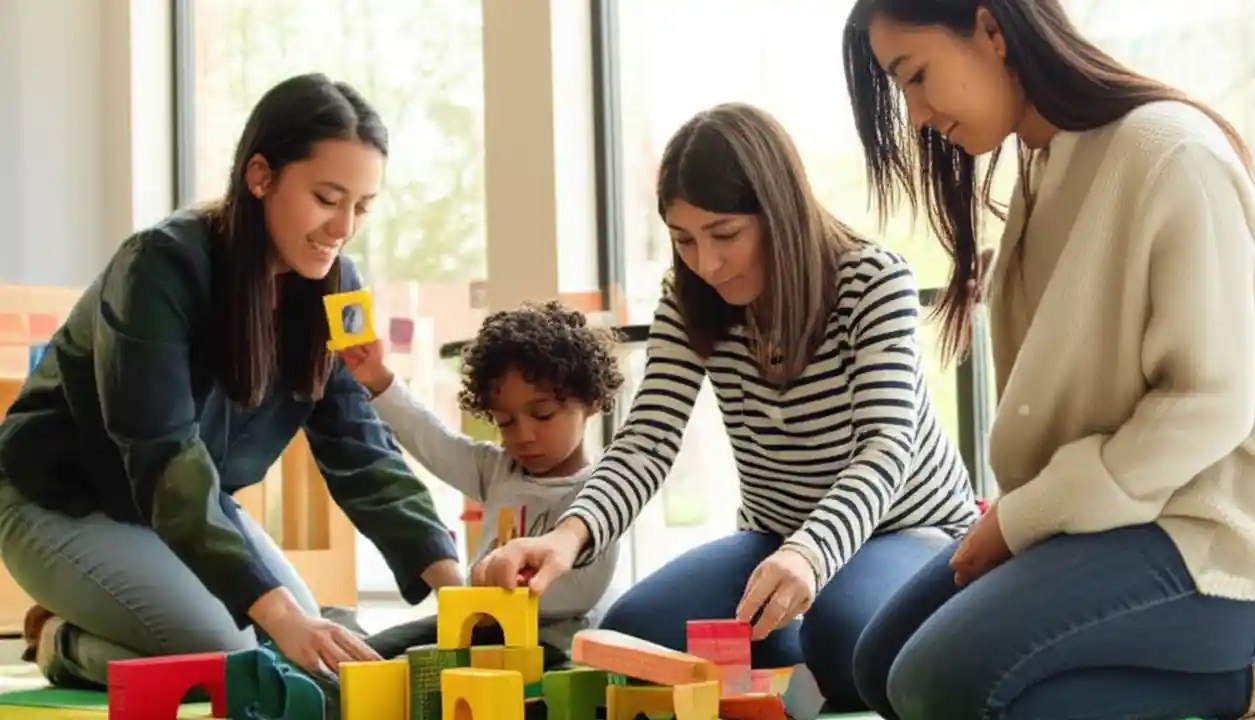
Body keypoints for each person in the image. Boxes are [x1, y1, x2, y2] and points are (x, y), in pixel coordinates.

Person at [841, 2, 1255, 719]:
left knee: (935, 683)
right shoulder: (1044, 168)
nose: (916, 114)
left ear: (990, 30)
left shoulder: (1169, 152)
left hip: (1210, 535)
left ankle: (1252, 681)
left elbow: (1209, 406)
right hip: (1109, 520)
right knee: (879, 665)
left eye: (917, 76)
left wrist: (1021, 521)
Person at [474, 102, 979, 710]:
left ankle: (810, 641)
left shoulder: (874, 282)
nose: (706, 263)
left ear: (779, 212)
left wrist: (809, 552)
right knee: (633, 638)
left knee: (848, 639)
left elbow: (885, 447)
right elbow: (646, 441)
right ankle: (790, 651)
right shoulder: (689, 299)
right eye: (683, 239)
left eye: (725, 235)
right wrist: (566, 537)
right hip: (775, 534)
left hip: (906, 528)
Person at [0, 73, 466, 688]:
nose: (343, 227)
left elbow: (360, 446)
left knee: (299, 664)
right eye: (327, 199)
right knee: (238, 656)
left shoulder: (337, 286)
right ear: (260, 176)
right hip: (62, 504)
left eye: (361, 207)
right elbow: (164, 455)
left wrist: (457, 591)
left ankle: (126, 622)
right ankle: (63, 641)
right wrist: (276, 612)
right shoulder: (157, 268)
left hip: (190, 513)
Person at [335, 300, 625, 664]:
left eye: (543, 414)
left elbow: (584, 589)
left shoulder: (602, 494)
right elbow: (433, 440)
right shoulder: (498, 469)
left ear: (592, 401)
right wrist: (378, 378)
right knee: (367, 657)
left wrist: (495, 589)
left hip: (551, 643)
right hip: (477, 625)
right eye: (505, 421)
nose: (524, 435)